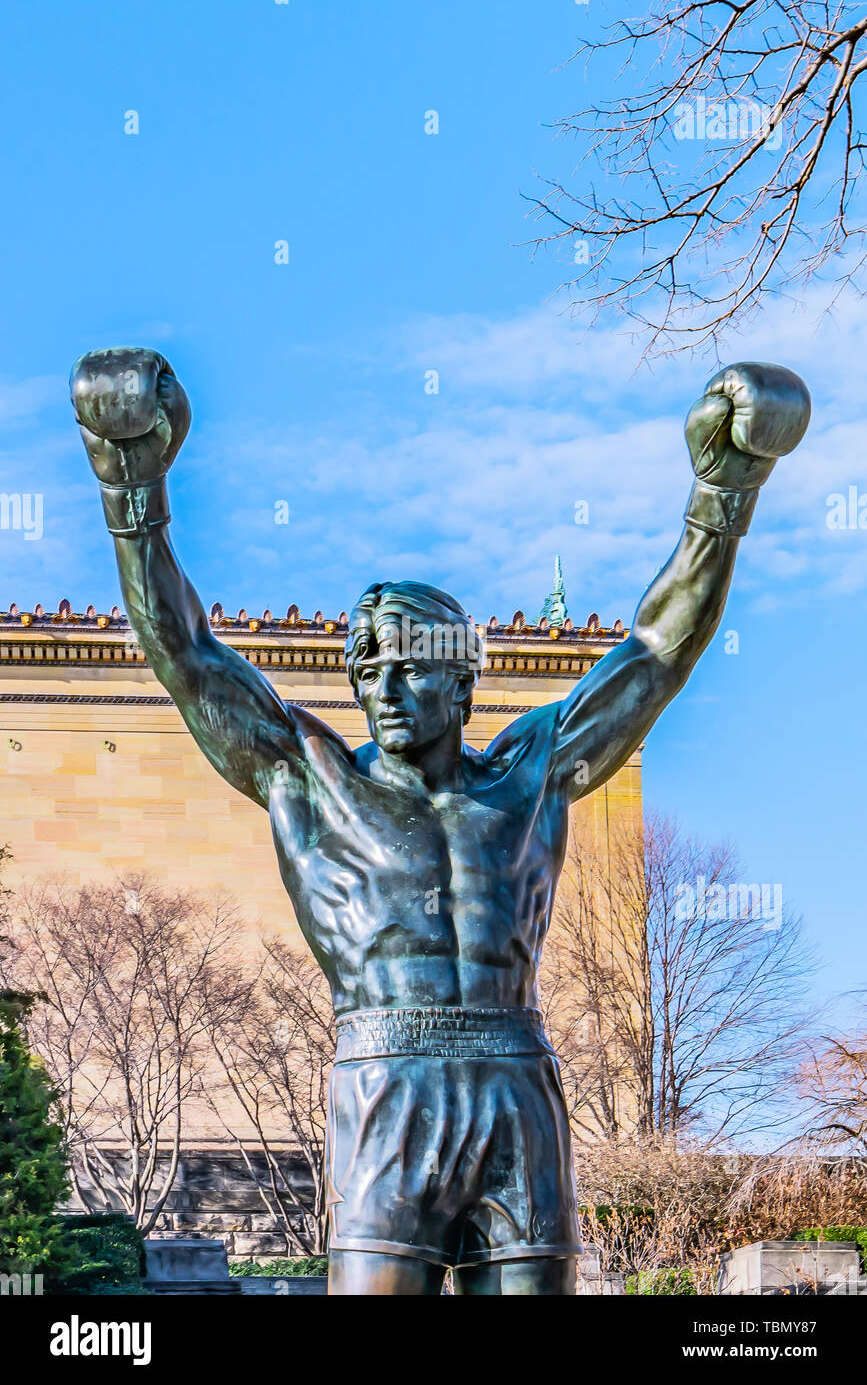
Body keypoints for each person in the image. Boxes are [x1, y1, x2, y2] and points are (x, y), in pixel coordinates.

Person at [70, 348, 809, 1294]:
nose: (380, 687)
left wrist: (724, 492)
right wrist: (132, 489)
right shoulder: (310, 776)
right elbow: (186, 653)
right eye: (364, 668)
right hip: (386, 1087)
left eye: (408, 666)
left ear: (462, 678)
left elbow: (658, 648)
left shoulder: (531, 774)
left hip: (516, 1083)